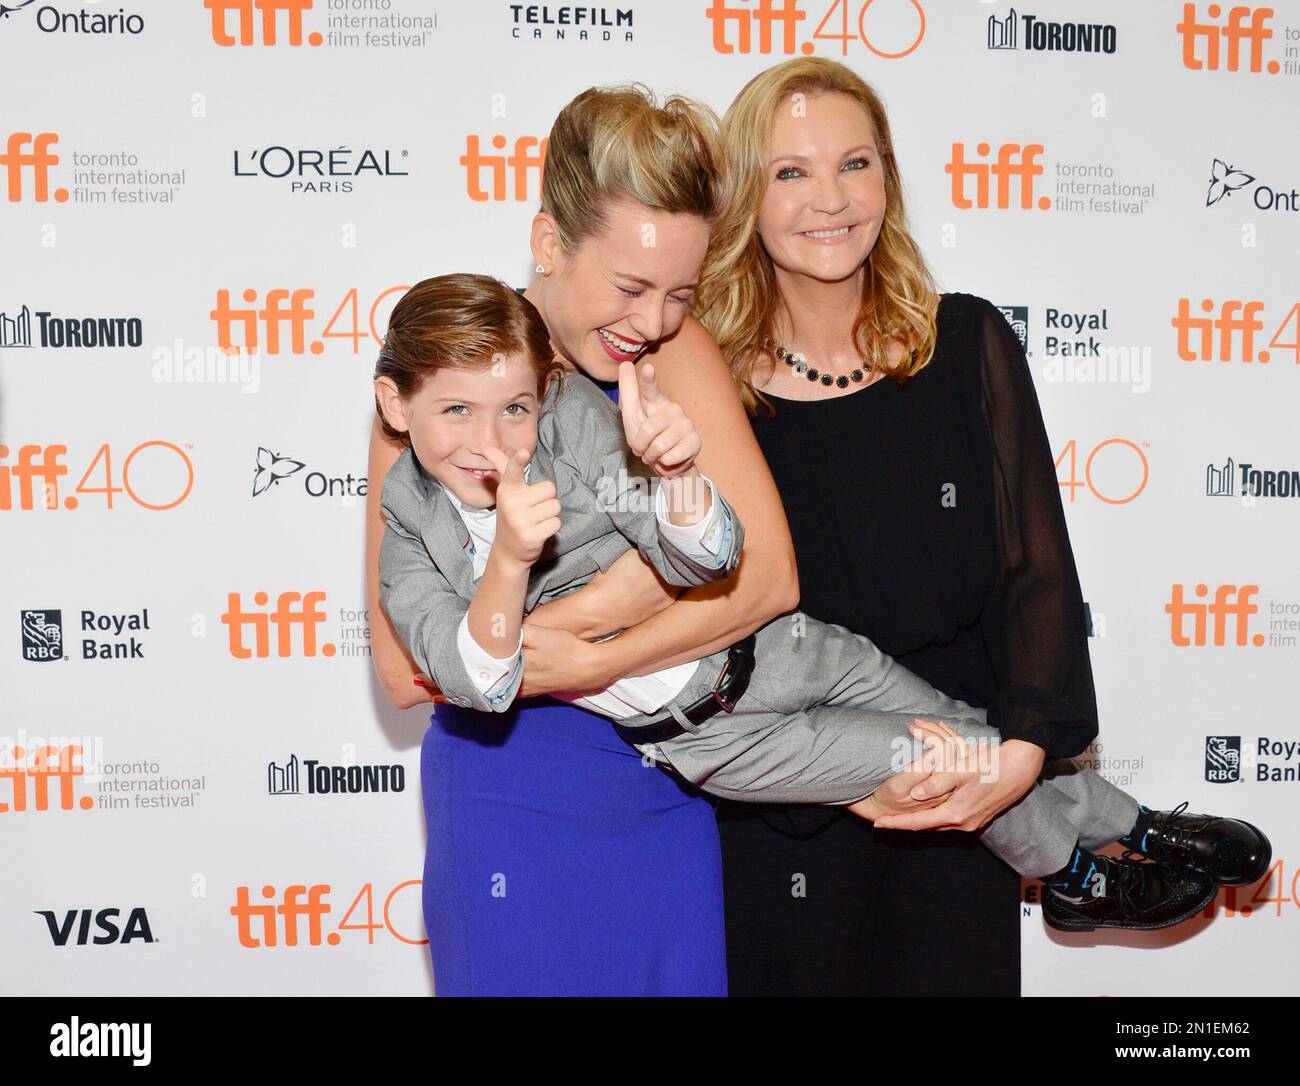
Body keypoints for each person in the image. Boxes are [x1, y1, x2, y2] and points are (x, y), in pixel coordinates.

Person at [375, 273, 1268, 937]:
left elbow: (712, 556)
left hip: (782, 643)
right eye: (456, 410)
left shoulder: (566, 427)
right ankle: (1078, 871)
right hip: (716, 734)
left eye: (514, 408)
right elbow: (476, 680)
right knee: (945, 755)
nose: (492, 442)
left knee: (967, 725)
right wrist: (507, 565)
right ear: (397, 404)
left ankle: (1141, 827)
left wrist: (678, 477)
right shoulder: (409, 537)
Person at [692, 57, 1272, 993]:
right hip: (786, 817)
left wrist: (1025, 756)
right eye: (789, 171)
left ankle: (1094, 835)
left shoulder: (964, 343)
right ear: (744, 202)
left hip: (968, 809)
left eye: (857, 162)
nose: (830, 198)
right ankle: (1114, 829)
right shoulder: (708, 390)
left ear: (889, 175)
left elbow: (1035, 575)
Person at [364, 86, 800, 996]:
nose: (651, 321)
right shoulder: (444, 382)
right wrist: (643, 589)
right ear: (549, 241)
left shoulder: (675, 357)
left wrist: (581, 640)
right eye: (630, 287)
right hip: (506, 799)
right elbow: (405, 667)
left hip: (660, 781)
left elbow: (767, 579)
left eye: (680, 292)